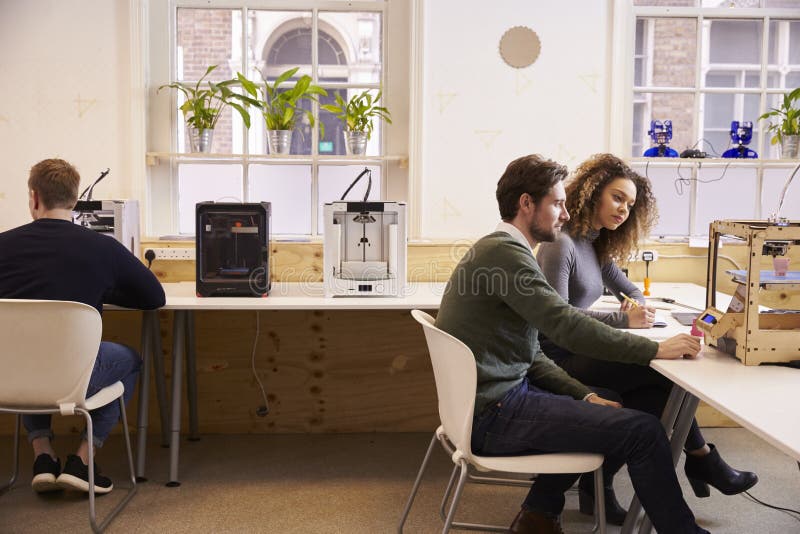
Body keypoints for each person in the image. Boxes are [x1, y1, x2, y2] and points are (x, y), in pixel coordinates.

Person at [435, 154, 709, 534]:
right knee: (644, 432)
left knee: (627, 401)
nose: (565, 213)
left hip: (495, 401)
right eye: (558, 203)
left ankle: (540, 514)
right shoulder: (505, 254)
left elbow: (530, 352)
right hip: (496, 413)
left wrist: (583, 395)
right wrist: (654, 349)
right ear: (526, 204)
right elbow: (566, 326)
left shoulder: (503, 250)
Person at [536, 153, 757, 524]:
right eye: (617, 198)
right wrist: (623, 320)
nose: (623, 209)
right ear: (593, 193)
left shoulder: (596, 244)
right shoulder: (562, 242)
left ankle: (602, 484)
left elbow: (632, 292)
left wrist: (635, 309)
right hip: (559, 355)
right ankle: (702, 460)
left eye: (630, 204)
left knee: (657, 395)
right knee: (661, 374)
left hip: (585, 346)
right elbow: (556, 319)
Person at [0, 158, 165, 495]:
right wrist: (105, 289)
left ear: (34, 198)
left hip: (9, 376)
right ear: (75, 201)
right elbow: (153, 297)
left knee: (28, 352)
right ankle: (83, 460)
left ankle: (43, 456)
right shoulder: (102, 248)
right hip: (76, 375)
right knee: (129, 360)